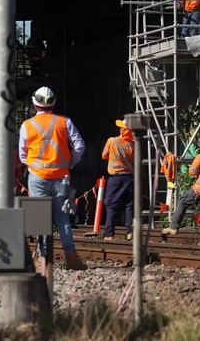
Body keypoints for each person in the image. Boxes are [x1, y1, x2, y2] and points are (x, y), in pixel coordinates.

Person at [19, 86, 87, 271]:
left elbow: (22, 155)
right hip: (61, 178)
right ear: (53, 103)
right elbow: (79, 146)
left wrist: (33, 165)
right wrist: (69, 164)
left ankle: (41, 258)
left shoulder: (27, 125)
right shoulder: (65, 122)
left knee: (39, 218)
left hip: (37, 177)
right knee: (62, 218)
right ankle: (71, 257)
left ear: (34, 104)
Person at [101, 120, 135, 241]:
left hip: (115, 179)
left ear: (122, 130)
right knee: (128, 205)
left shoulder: (112, 141)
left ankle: (109, 234)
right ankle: (130, 232)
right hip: (129, 178)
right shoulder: (133, 144)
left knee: (111, 204)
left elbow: (104, 155)